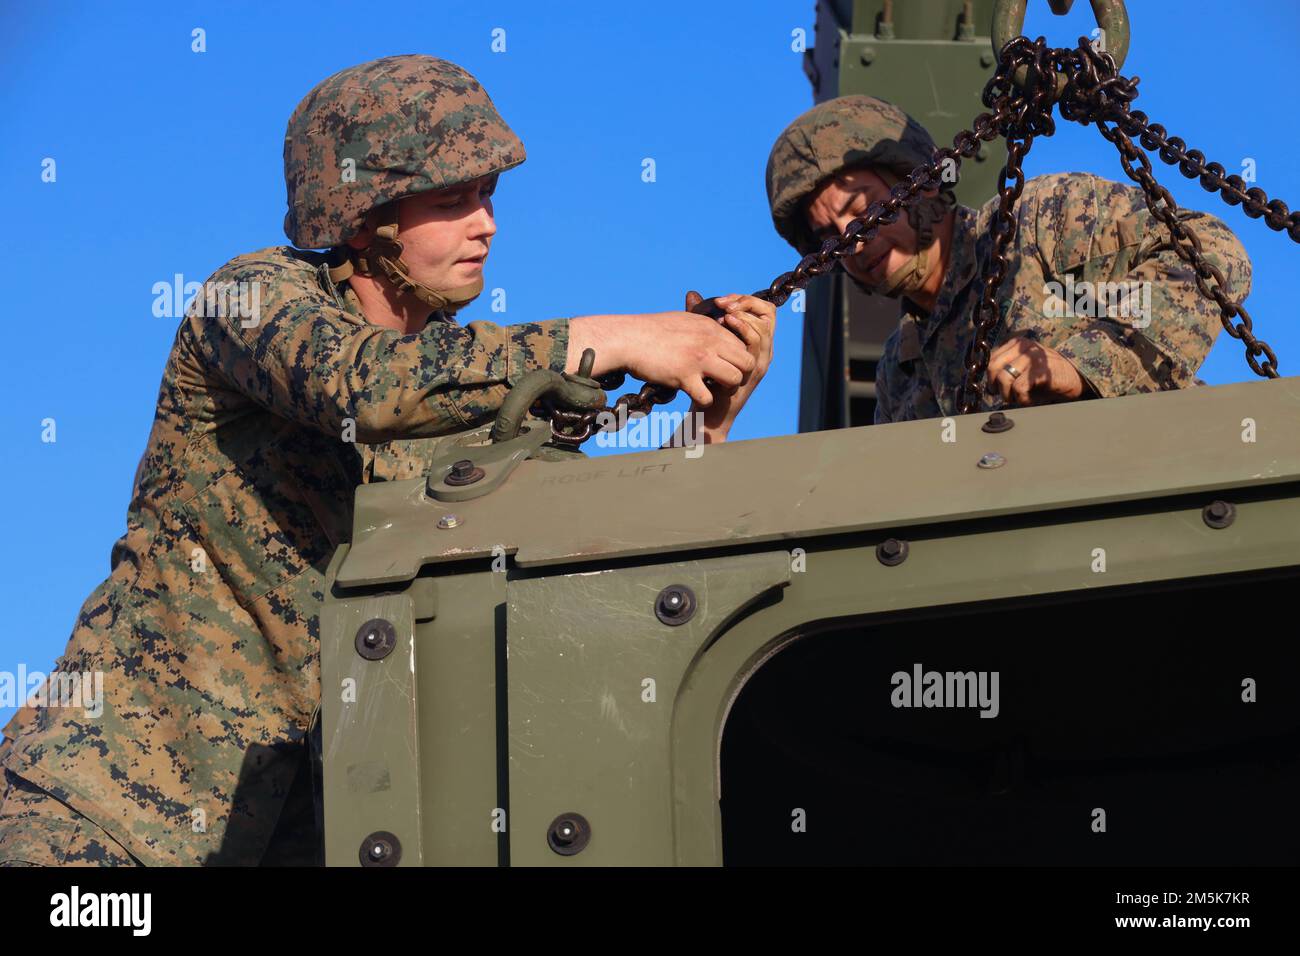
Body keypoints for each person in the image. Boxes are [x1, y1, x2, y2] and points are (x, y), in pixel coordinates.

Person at [0, 54, 775, 866]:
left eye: (489, 195)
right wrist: (612, 338)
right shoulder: (251, 299)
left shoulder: (464, 405)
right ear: (363, 219)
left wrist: (707, 422)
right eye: (452, 200)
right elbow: (365, 387)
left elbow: (585, 554)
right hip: (100, 821)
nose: (487, 224)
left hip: (293, 840)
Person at [765, 94, 1251, 422]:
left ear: (922, 183)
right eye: (828, 236)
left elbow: (1211, 252)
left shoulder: (1038, 223)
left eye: (864, 209)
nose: (852, 242)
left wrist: (1081, 365)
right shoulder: (900, 370)